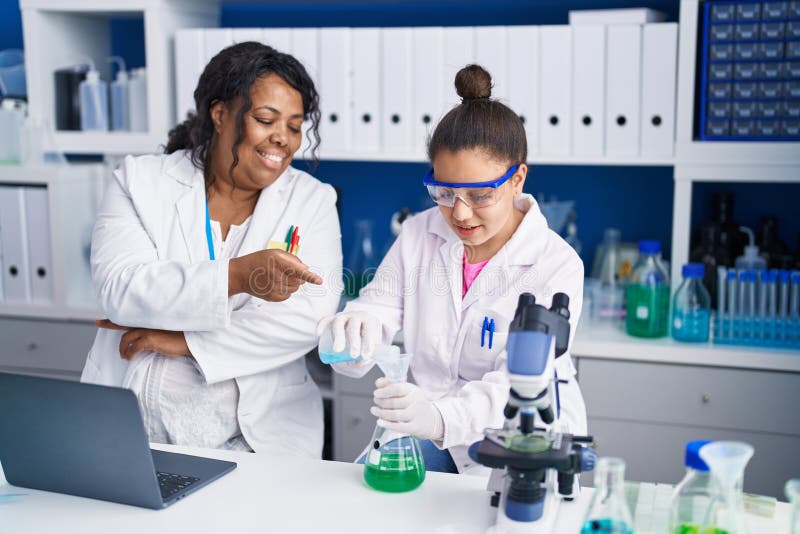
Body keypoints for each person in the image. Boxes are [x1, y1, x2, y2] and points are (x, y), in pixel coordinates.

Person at [317, 65, 587, 474]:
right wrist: (357, 328)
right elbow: (378, 306)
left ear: (518, 180)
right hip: (424, 435)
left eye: (480, 194)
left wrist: (440, 418)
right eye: (444, 192)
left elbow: (518, 384)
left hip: (513, 446)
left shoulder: (556, 265)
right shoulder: (418, 234)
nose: (459, 213)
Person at [82, 42, 342, 458]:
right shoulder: (139, 181)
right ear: (220, 114)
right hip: (136, 429)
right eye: (265, 119)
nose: (283, 139)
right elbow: (121, 288)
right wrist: (237, 276)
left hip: (259, 439)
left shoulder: (312, 200)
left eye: (295, 126)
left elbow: (308, 317)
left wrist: (184, 340)